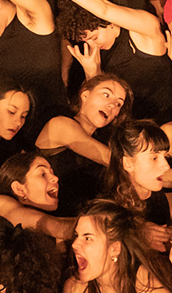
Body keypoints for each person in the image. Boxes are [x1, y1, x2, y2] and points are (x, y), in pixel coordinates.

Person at [35, 0, 172, 123]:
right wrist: (92, 71)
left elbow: (103, 7)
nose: (92, 45)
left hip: (160, 124)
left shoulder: (142, 32)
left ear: (107, 22)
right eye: (87, 41)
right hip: (121, 128)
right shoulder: (100, 50)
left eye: (94, 37)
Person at [33, 73, 131, 217]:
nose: (112, 105)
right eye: (106, 95)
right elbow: (111, 159)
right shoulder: (60, 124)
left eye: (118, 104)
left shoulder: (106, 141)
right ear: (84, 95)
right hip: (50, 218)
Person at [0, 152, 76, 242]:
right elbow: (53, 226)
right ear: (19, 189)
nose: (55, 178)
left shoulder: (49, 214)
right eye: (43, 174)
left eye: (52, 172)